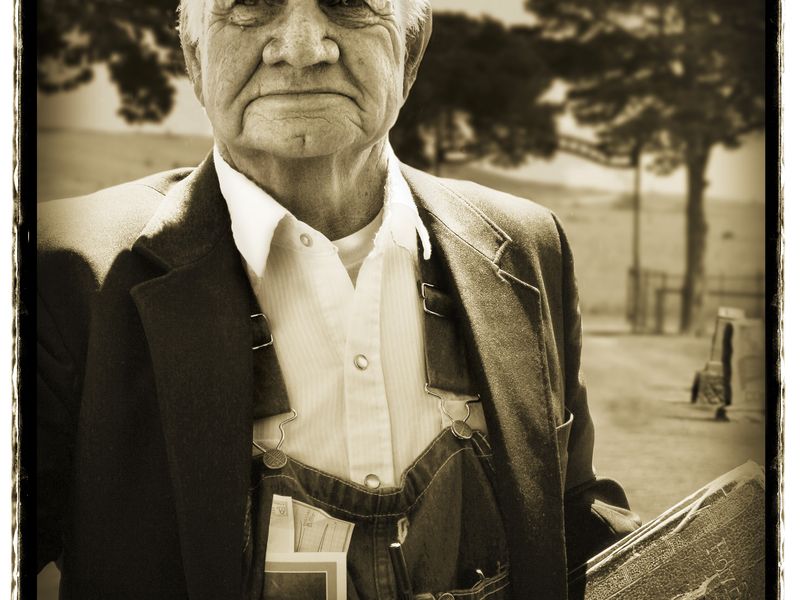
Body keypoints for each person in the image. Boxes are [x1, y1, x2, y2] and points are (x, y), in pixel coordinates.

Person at [37, 0, 640, 598]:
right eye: (250, 6)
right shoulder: (60, 274)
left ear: (412, 46)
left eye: (349, 4)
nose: (301, 48)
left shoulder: (529, 249)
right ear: (194, 55)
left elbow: (564, 512)